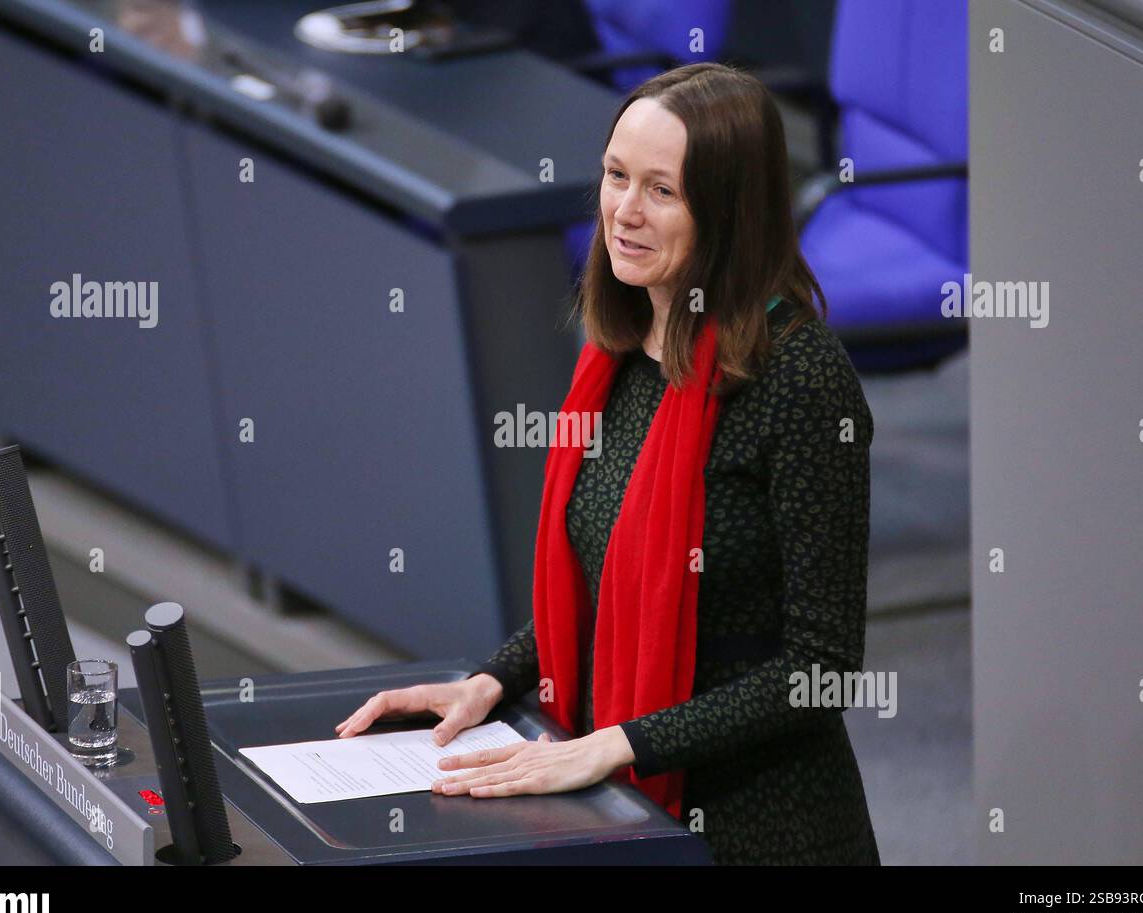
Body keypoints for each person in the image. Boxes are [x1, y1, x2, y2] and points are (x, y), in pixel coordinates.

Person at [336, 62, 880, 866]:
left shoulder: (800, 380)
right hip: (617, 788)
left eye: (662, 191)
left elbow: (822, 667)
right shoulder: (622, 351)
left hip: (760, 824)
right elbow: (606, 572)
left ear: (729, 213)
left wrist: (617, 743)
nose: (624, 212)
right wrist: (493, 681)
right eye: (616, 176)